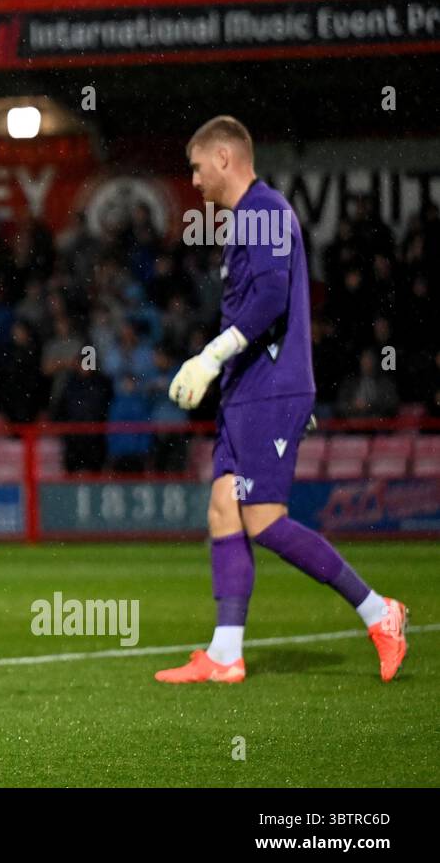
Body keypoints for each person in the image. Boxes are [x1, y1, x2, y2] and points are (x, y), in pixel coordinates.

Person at [157, 116, 407, 684]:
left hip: (268, 388)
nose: (193, 180)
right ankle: (225, 654)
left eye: (196, 167)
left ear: (224, 158)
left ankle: (379, 611)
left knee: (264, 520)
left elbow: (272, 298)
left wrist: (211, 356)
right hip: (248, 390)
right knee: (224, 508)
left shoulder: (264, 210)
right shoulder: (245, 219)